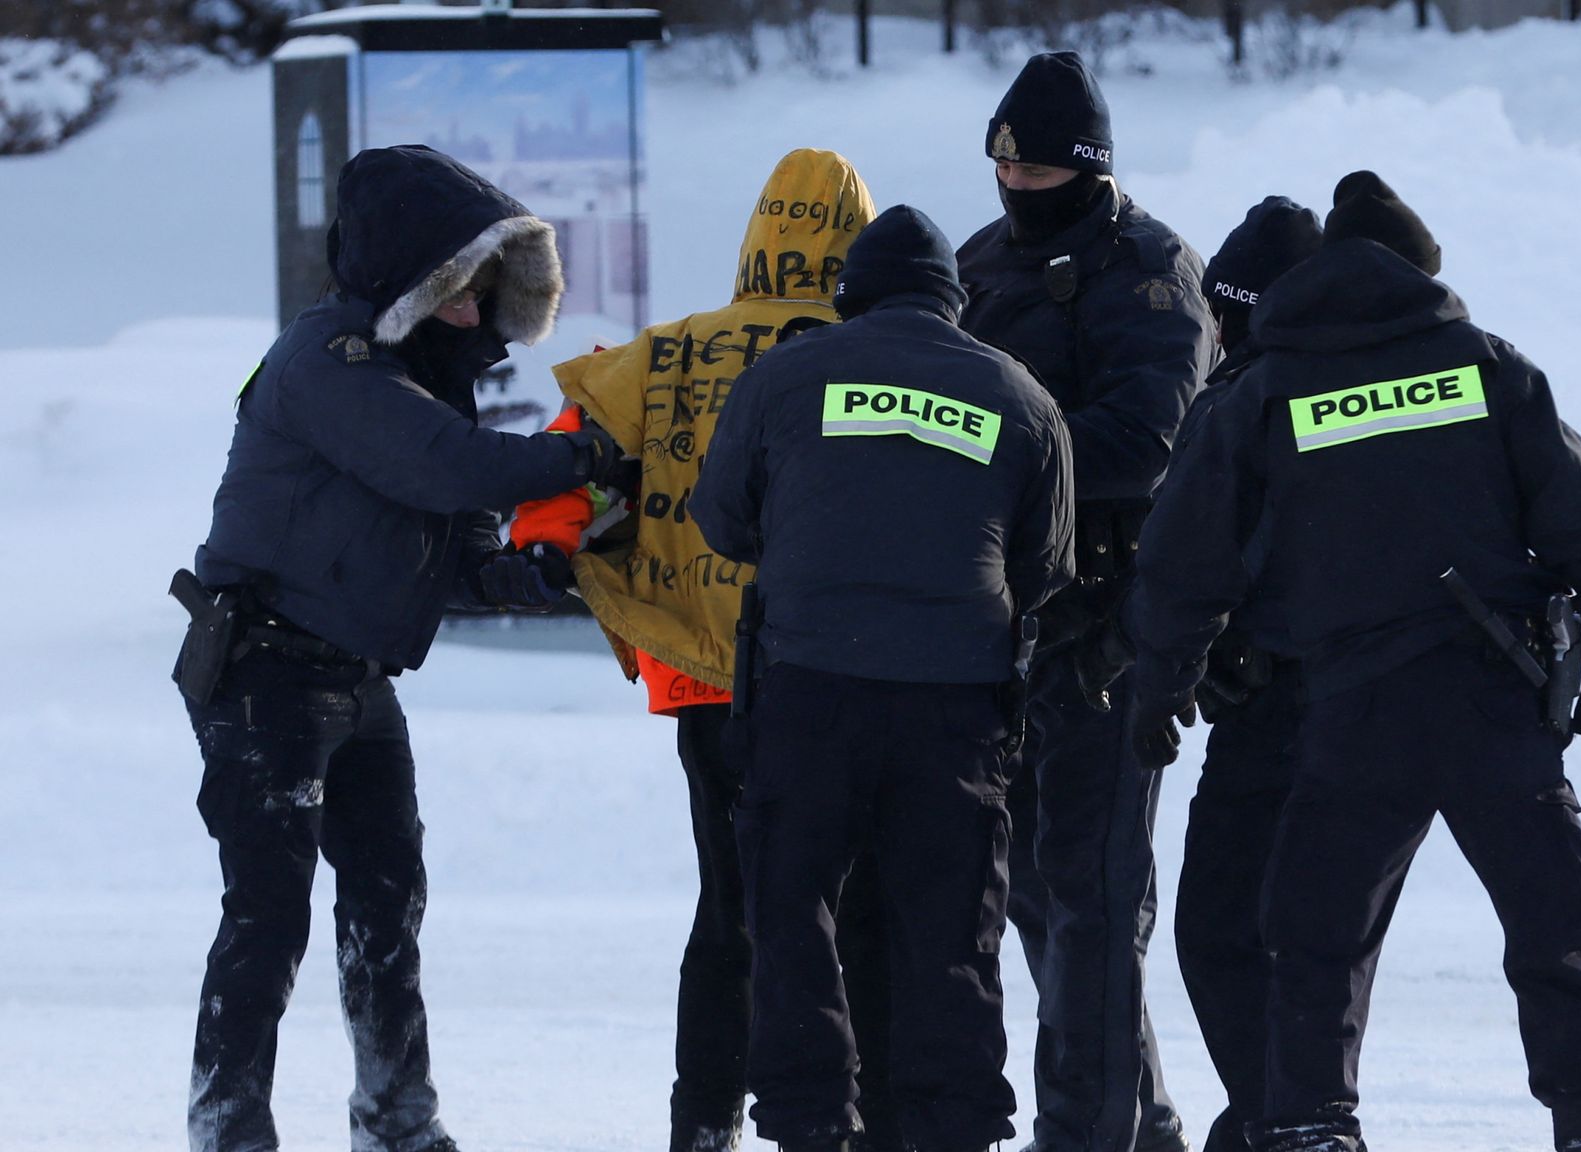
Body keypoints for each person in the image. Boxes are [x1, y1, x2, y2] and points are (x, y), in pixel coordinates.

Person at [1127, 171, 1581, 1152]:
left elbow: (1177, 559)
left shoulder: (1273, 388)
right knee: (1554, 932)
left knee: (1310, 944)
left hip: (1349, 709)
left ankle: (1303, 1129)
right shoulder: (1483, 367)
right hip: (1490, 698)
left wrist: (1157, 687)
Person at [174, 144, 634, 1152]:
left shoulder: (425, 381)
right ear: (410, 283)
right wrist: (588, 452)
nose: (476, 309)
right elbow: (446, 472)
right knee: (269, 915)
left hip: (353, 675)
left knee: (387, 903)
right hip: (265, 671)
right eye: (461, 288)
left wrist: (529, 574)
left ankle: (397, 1123)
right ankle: (228, 1128)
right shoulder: (328, 360)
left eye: (487, 290)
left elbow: (459, 547)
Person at [495, 148, 902, 1152]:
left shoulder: (671, 352)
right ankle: (844, 1116)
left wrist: (547, 547)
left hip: (702, 680)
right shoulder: (887, 350)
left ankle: (703, 1123)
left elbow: (573, 454)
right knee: (847, 910)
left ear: (757, 236)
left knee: (731, 910)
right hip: (842, 676)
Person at [690, 204, 1075, 1152]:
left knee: (795, 913)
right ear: (956, 304)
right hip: (957, 703)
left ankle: (810, 1121)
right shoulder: (1018, 395)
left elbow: (721, 520)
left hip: (809, 686)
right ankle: (956, 1129)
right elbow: (1048, 566)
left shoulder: (782, 377)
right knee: (952, 929)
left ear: (849, 296)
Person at [953, 50, 1214, 1152]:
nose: (1016, 193)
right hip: (1002, 624)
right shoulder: (977, 262)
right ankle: (1136, 1123)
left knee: (1092, 901)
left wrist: (1002, 457)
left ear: (1091, 173)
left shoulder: (1149, 270)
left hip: (1106, 627)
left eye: (1040, 177)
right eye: (1003, 172)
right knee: (1027, 897)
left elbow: (1149, 440)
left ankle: (1088, 1132)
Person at [1165, 196, 1323, 1152]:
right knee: (1305, 943)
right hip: (1360, 705)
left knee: (1220, 926)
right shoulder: (1377, 377)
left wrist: (1175, 671)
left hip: (1278, 713)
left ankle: (1281, 1117)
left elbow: (1187, 563)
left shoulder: (1244, 399)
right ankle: (1283, 1113)